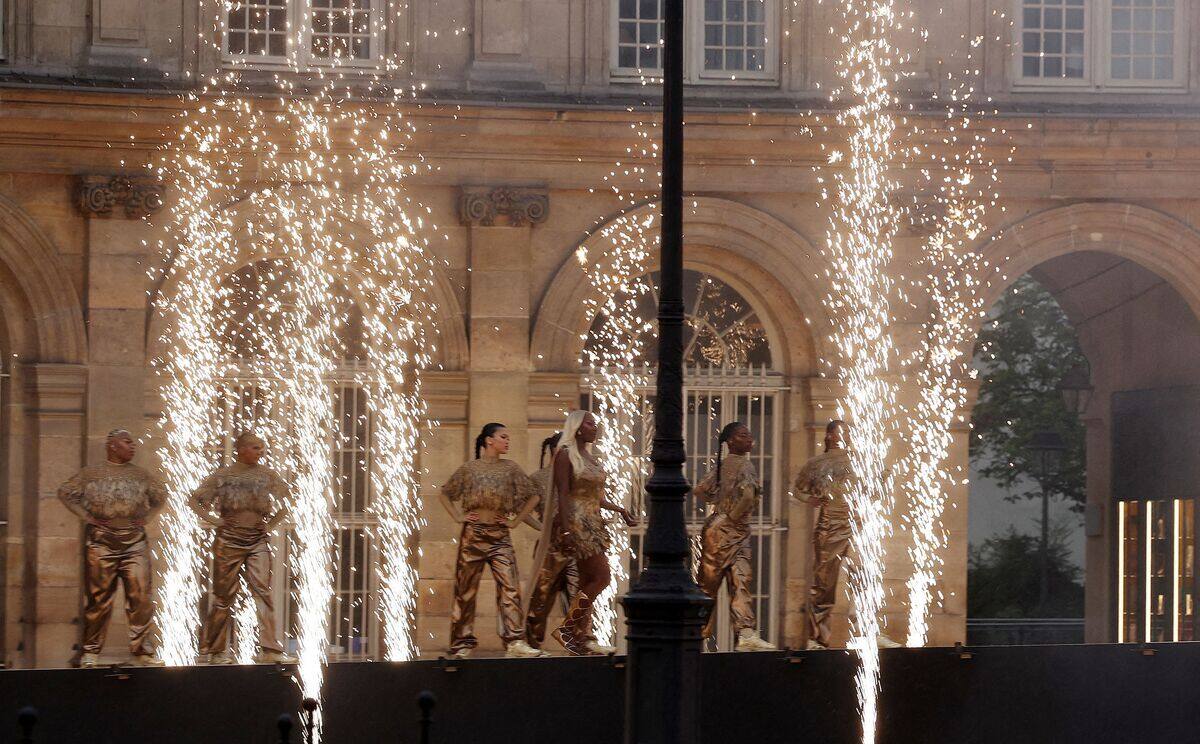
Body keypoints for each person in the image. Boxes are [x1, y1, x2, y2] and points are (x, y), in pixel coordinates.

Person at [58, 429, 167, 667]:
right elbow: (65, 493)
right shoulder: (91, 473)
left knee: (140, 597)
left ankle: (142, 651)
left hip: (134, 541)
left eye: (133, 442)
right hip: (102, 541)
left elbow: (161, 496)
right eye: (127, 442)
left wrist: (148, 517)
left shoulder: (140, 474)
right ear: (112, 445)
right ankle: (90, 651)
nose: (133, 446)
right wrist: (87, 516)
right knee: (99, 599)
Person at [440, 422, 545, 659]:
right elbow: (445, 493)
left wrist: (515, 521)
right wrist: (459, 516)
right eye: (503, 437)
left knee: (510, 588)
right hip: (473, 534)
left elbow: (534, 496)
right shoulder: (469, 469)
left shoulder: (511, 469)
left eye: (508, 437)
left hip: (500, 536)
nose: (507, 441)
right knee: (466, 590)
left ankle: (515, 641)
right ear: (489, 440)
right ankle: (461, 644)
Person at [536, 410, 636, 656]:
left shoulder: (589, 458)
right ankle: (568, 629)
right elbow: (564, 494)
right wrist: (568, 531)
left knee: (585, 581)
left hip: (594, 521)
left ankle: (579, 640)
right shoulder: (565, 455)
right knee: (603, 577)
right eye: (590, 423)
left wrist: (620, 509)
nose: (595, 427)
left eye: (595, 423)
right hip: (578, 524)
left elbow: (597, 498)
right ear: (578, 427)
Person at [793, 420, 900, 650]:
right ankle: (817, 638)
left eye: (850, 431)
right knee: (824, 585)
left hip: (857, 524)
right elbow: (798, 488)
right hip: (829, 526)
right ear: (830, 435)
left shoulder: (860, 460)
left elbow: (875, 489)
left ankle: (866, 630)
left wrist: (883, 479)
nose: (848, 435)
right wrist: (808, 499)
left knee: (864, 576)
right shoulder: (817, 463)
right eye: (843, 431)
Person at [191, 432, 297, 665]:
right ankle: (216, 650)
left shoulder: (267, 475)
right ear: (242, 449)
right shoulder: (223, 475)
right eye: (256, 447)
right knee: (223, 596)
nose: (261, 452)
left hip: (257, 539)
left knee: (263, 592)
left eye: (262, 448)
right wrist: (216, 521)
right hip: (228, 540)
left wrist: (270, 524)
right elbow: (194, 500)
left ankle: (270, 649)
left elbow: (289, 500)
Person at [693, 422, 775, 651]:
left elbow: (700, 489)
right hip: (731, 529)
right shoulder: (746, 465)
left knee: (712, 585)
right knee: (739, 581)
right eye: (743, 435)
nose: (750, 438)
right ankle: (743, 632)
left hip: (719, 528)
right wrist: (733, 516)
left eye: (749, 434)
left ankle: (705, 633)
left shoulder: (723, 466)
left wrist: (720, 504)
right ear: (730, 442)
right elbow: (748, 496)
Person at [522, 432, 581, 650]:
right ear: (557, 451)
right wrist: (543, 528)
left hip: (575, 542)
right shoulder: (538, 478)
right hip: (550, 545)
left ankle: (579, 639)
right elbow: (522, 509)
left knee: (579, 592)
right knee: (542, 597)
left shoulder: (576, 475)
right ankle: (533, 642)